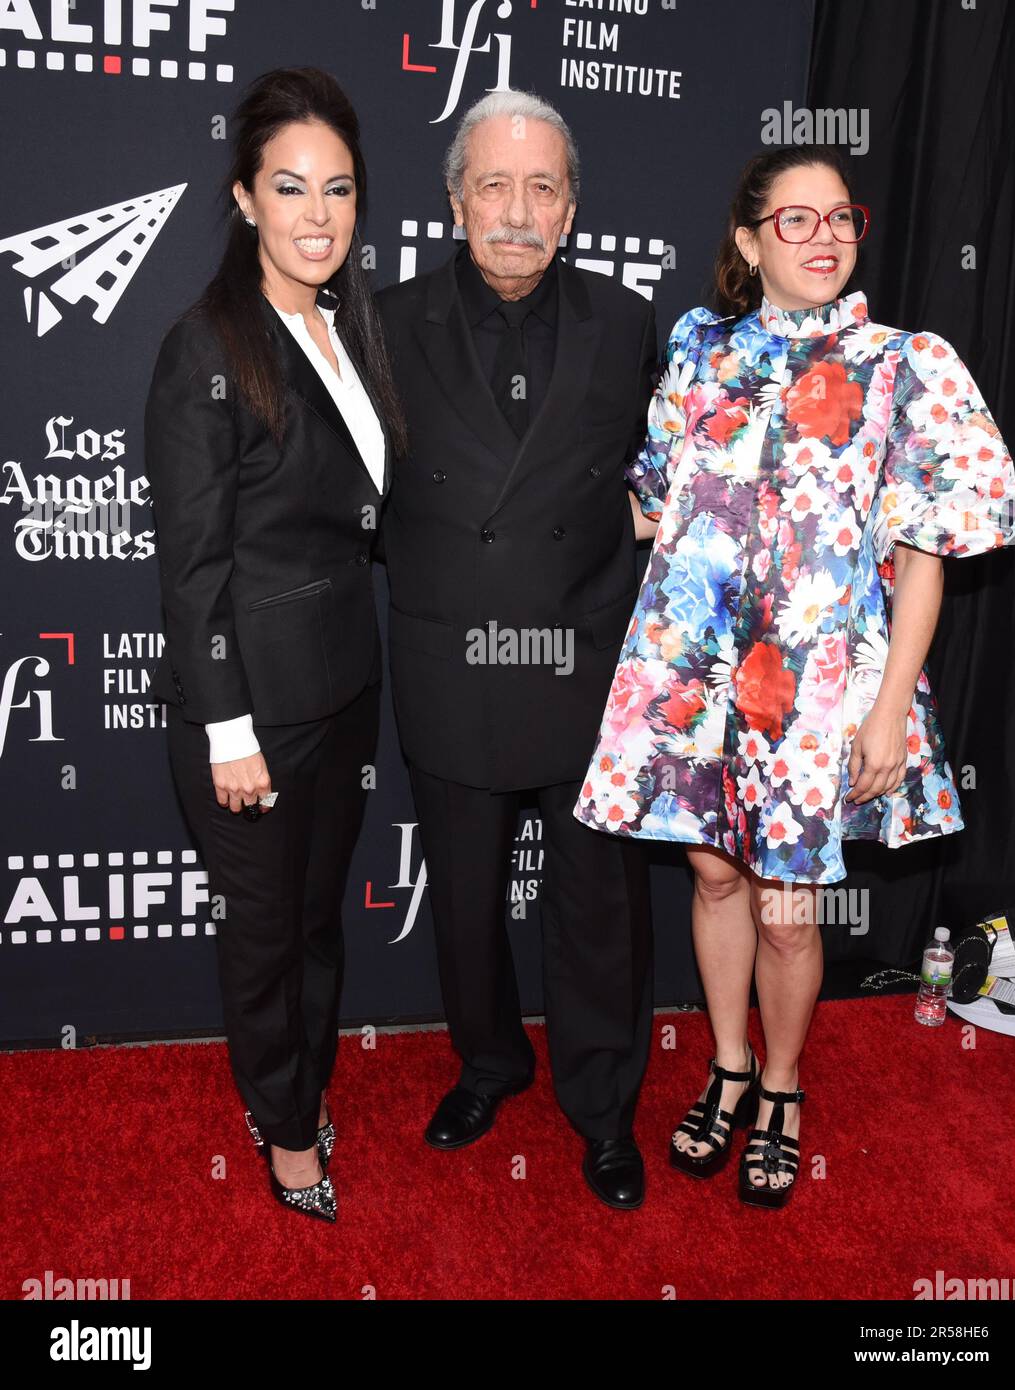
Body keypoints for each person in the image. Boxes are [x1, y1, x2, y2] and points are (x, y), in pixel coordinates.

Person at [574, 145, 1015, 1208]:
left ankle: (780, 1083)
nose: (823, 237)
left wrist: (884, 710)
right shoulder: (697, 346)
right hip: (692, 670)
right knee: (716, 877)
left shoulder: (904, 361)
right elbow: (650, 497)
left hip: (820, 690)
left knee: (786, 907)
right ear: (746, 240)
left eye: (840, 218)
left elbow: (928, 551)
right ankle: (727, 1062)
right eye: (795, 219)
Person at [375, 91, 657, 1209]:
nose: (516, 210)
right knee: (464, 898)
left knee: (598, 909)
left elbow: (675, 482)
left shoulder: (629, 324)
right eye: (493, 185)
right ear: (454, 201)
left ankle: (602, 1108)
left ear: (573, 208)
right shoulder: (384, 324)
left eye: (542, 188)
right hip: (451, 662)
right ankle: (488, 1062)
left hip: (583, 666)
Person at [146, 67, 406, 1223]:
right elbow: (193, 566)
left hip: (343, 687)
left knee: (311, 918)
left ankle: (301, 1082)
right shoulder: (205, 344)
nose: (317, 214)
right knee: (264, 935)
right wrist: (228, 730)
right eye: (290, 187)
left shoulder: (352, 328)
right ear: (245, 196)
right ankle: (285, 1125)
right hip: (249, 711)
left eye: (338, 189)